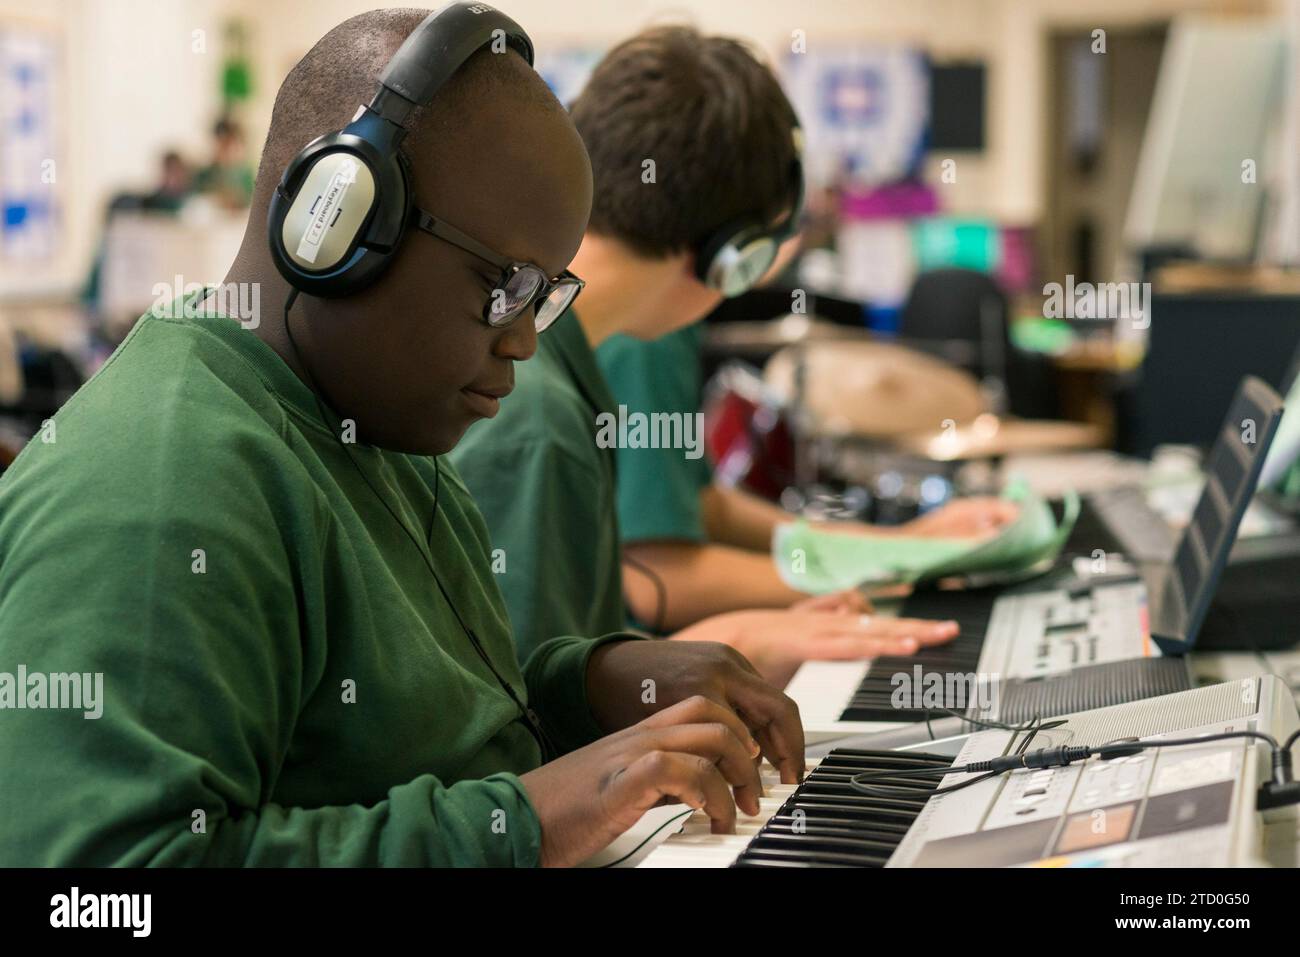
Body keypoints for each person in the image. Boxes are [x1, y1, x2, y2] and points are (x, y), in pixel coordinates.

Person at [0, 5, 804, 868]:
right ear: (334, 225)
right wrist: (527, 821)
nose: (526, 339)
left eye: (545, 295)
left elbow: (403, 734)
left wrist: (589, 687)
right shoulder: (161, 483)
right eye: (505, 287)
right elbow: (97, 890)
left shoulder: (372, 424)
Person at [452, 27, 989, 688]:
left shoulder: (557, 360)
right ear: (734, 258)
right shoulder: (538, 414)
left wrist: (888, 555)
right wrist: (728, 638)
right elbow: (530, 729)